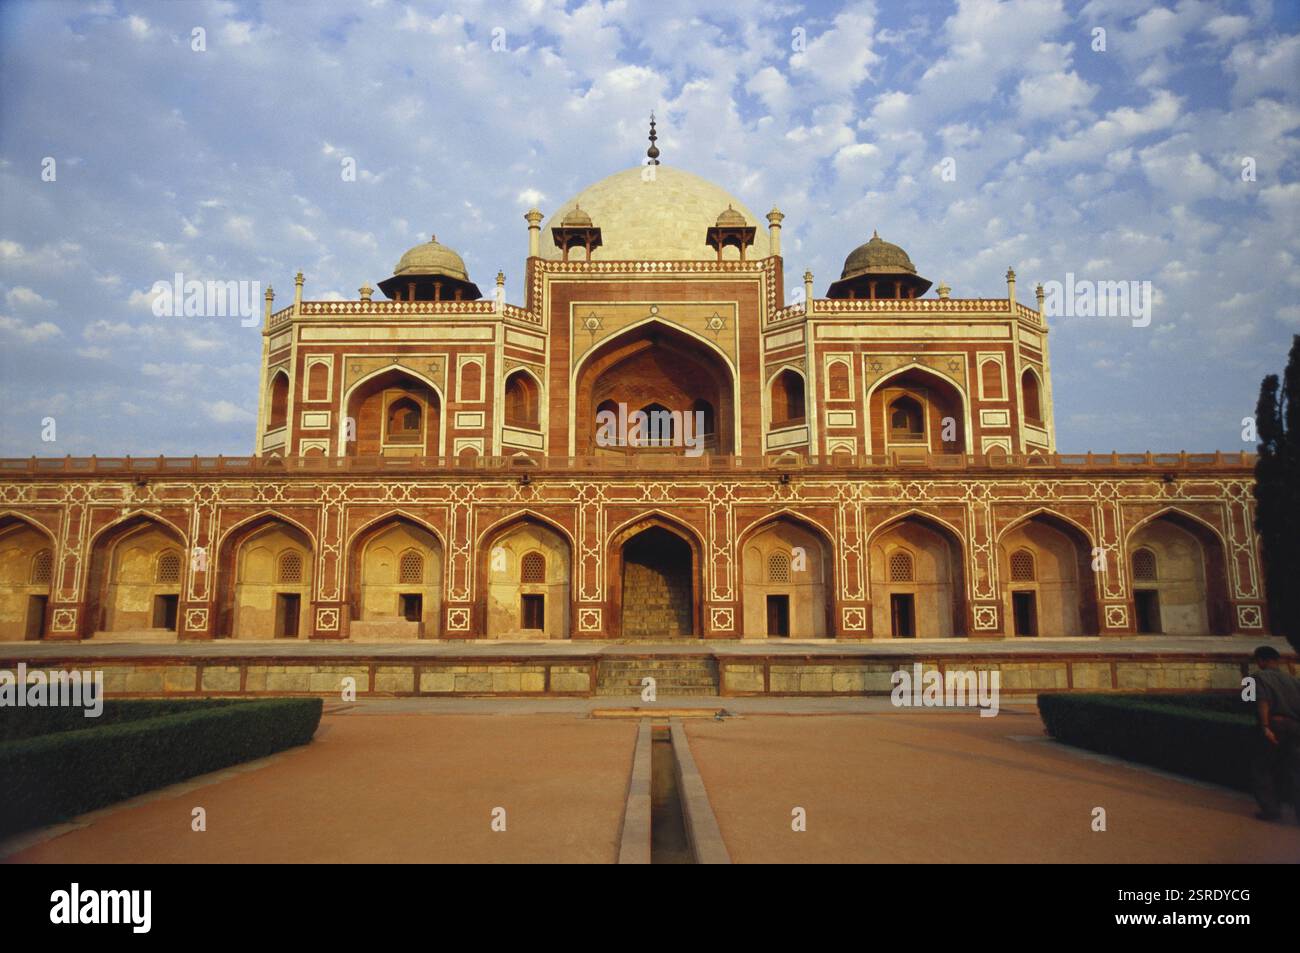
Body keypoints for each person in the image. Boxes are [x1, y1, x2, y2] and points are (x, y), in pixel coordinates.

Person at [1249, 646, 1300, 823]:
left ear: (1261, 660)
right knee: (1295, 770)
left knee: (1262, 768)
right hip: (1294, 726)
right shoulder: (1293, 680)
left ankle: (1271, 810)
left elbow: (1261, 701)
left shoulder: (1257, 677)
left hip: (1274, 725)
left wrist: (1265, 726)